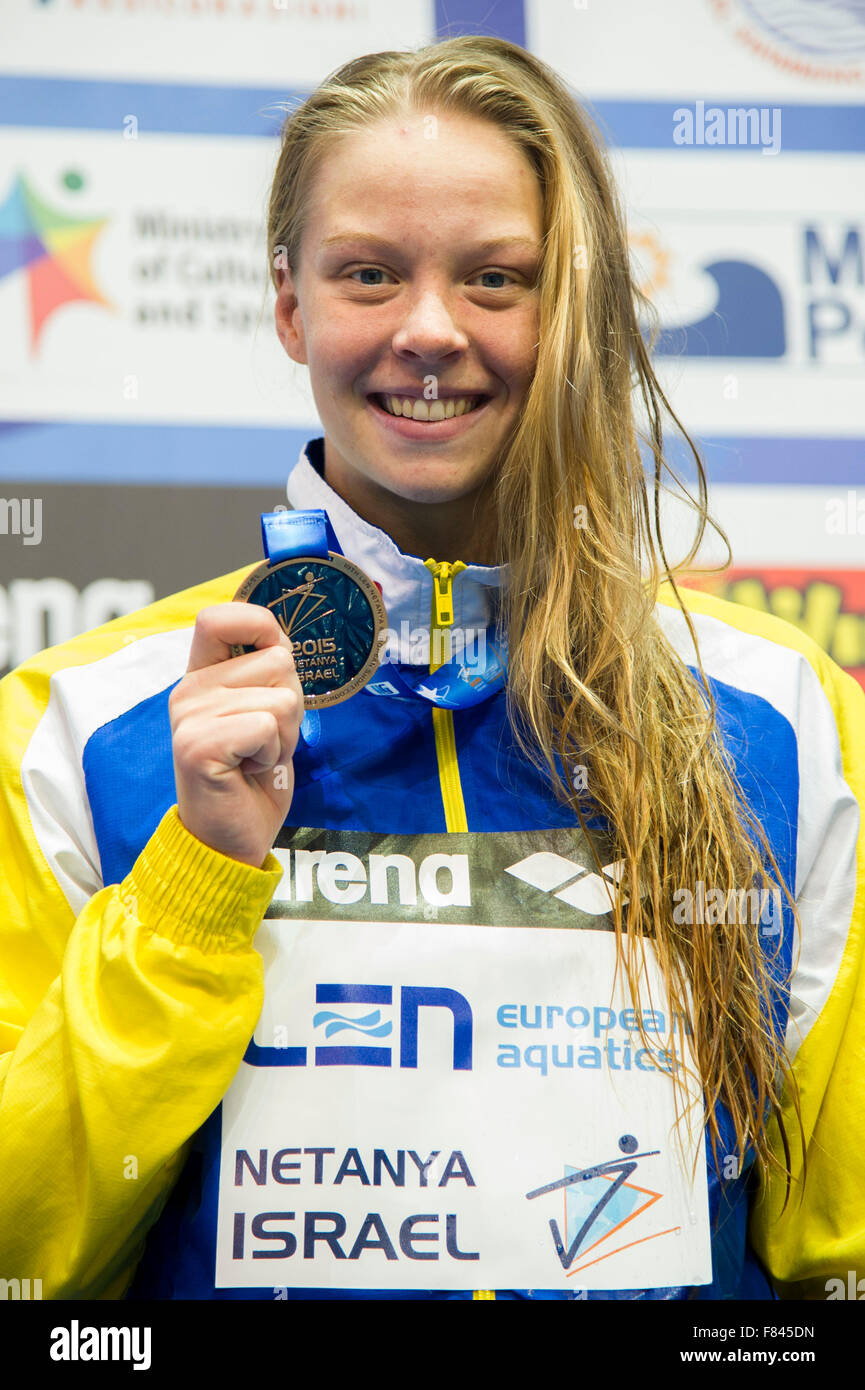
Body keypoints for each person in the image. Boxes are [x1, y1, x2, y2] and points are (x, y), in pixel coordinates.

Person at [0, 35, 862, 1303]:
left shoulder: (783, 719)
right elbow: (26, 1258)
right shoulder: (79, 727)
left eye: (495, 278)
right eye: (367, 274)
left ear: (569, 301)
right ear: (288, 301)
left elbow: (837, 1257)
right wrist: (194, 885)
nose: (428, 331)